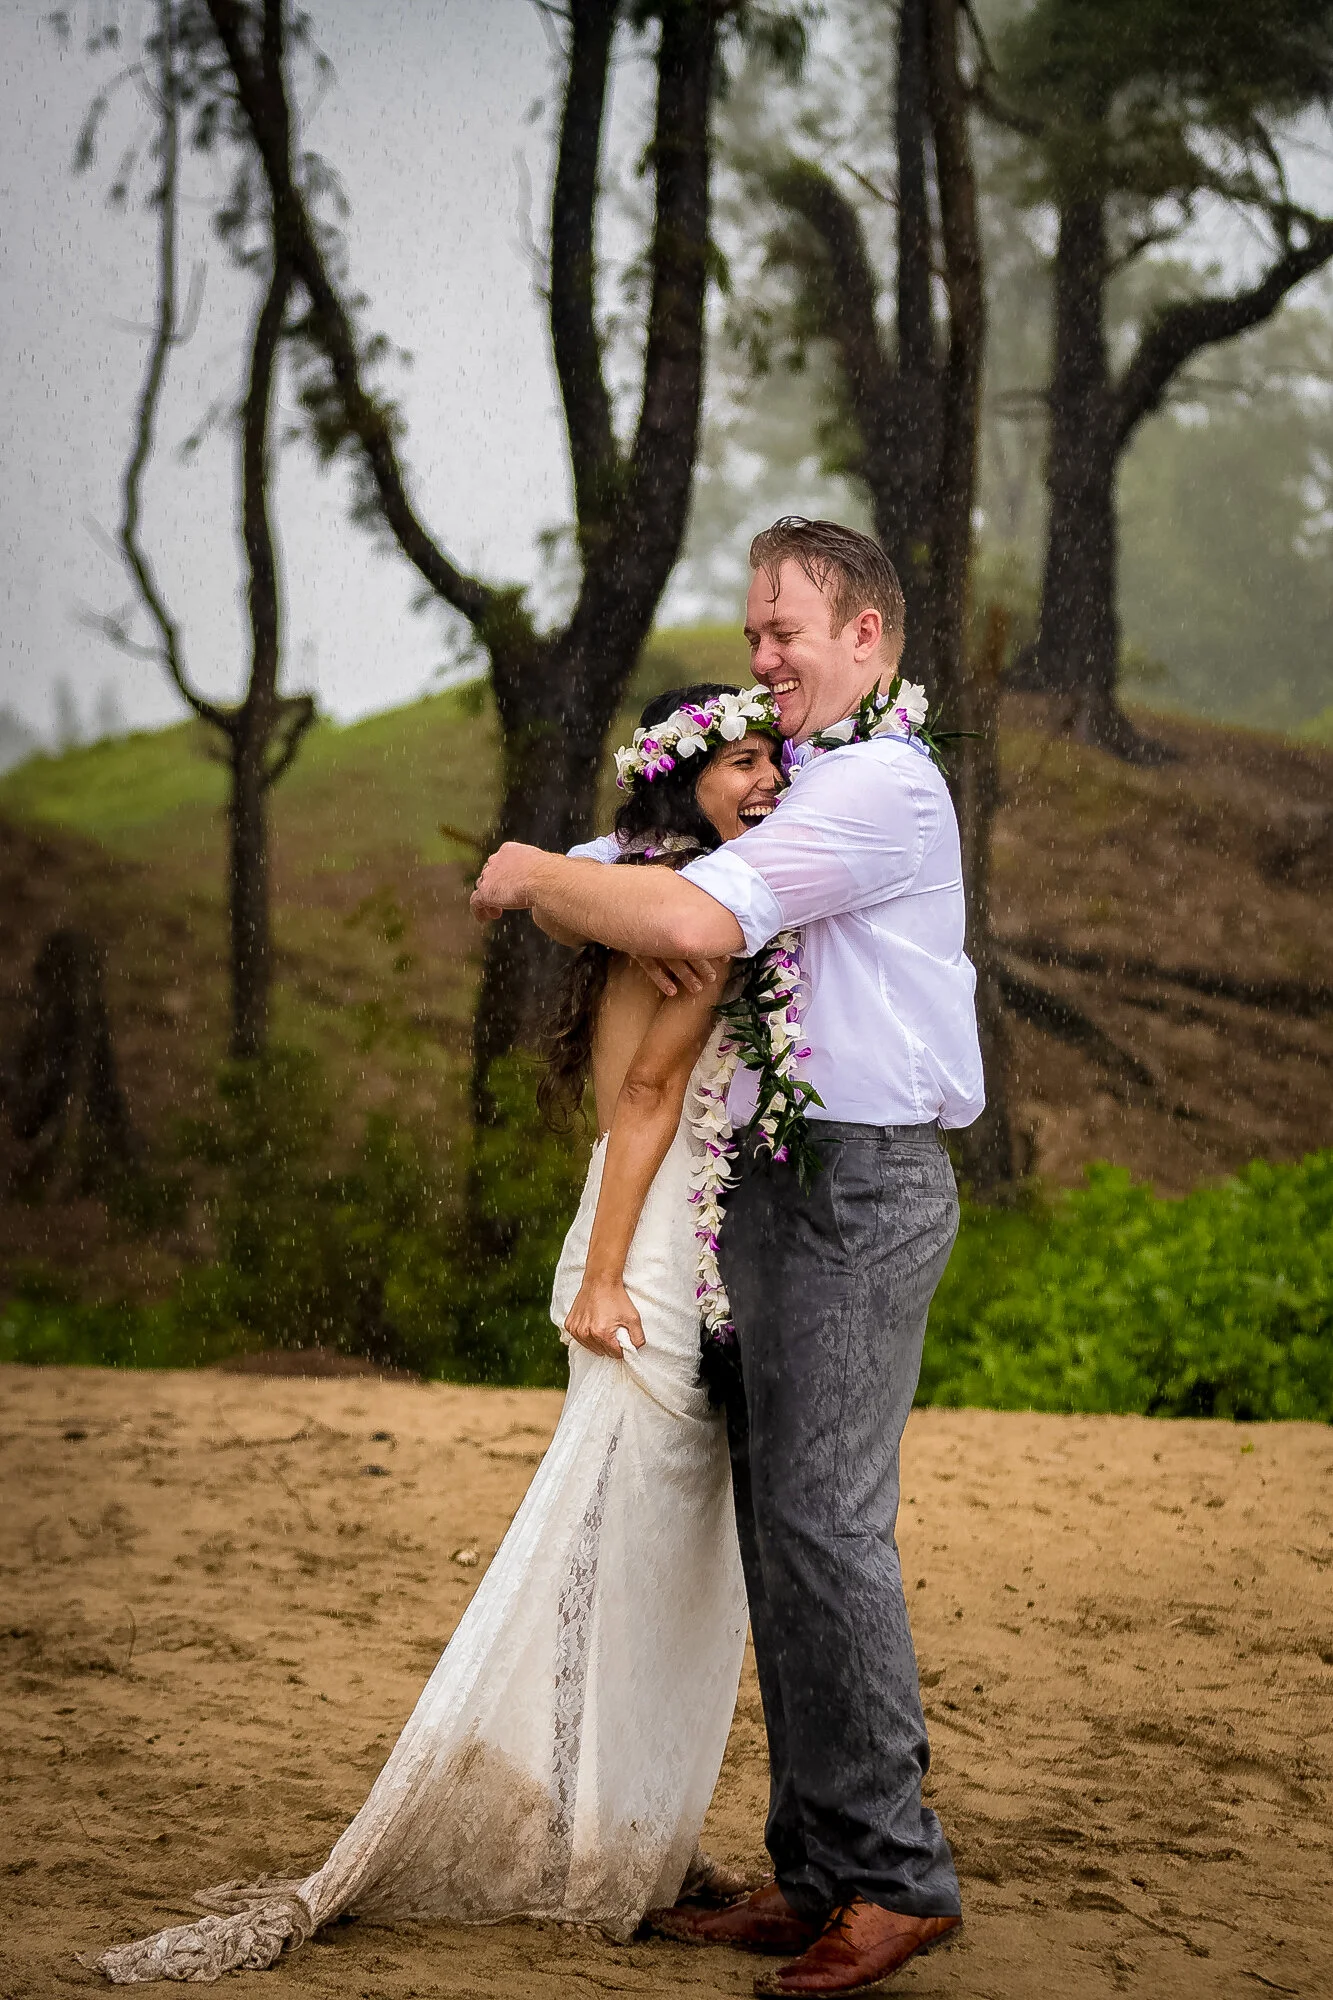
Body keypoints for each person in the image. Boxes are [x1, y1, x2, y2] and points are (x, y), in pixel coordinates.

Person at [90, 687, 785, 1985]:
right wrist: (605, 1280)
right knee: (604, 1557)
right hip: (641, 1264)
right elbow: (643, 1094)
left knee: (662, 1570)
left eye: (771, 763)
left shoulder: (661, 895)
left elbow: (583, 890)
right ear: (676, 782)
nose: (762, 784)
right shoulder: (687, 917)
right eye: (737, 763)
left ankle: (626, 1832)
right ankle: (589, 1841)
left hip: (683, 1256)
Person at [472, 517, 986, 1998]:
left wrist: (527, 874)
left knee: (825, 1525)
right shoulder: (797, 775)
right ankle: (818, 1871)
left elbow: (686, 906)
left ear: (867, 637)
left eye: (786, 634)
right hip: (762, 1190)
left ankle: (895, 1878)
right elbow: (632, 857)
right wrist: (559, 866)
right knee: (775, 1531)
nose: (762, 659)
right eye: (754, 635)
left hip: (859, 1187)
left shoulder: (884, 785)